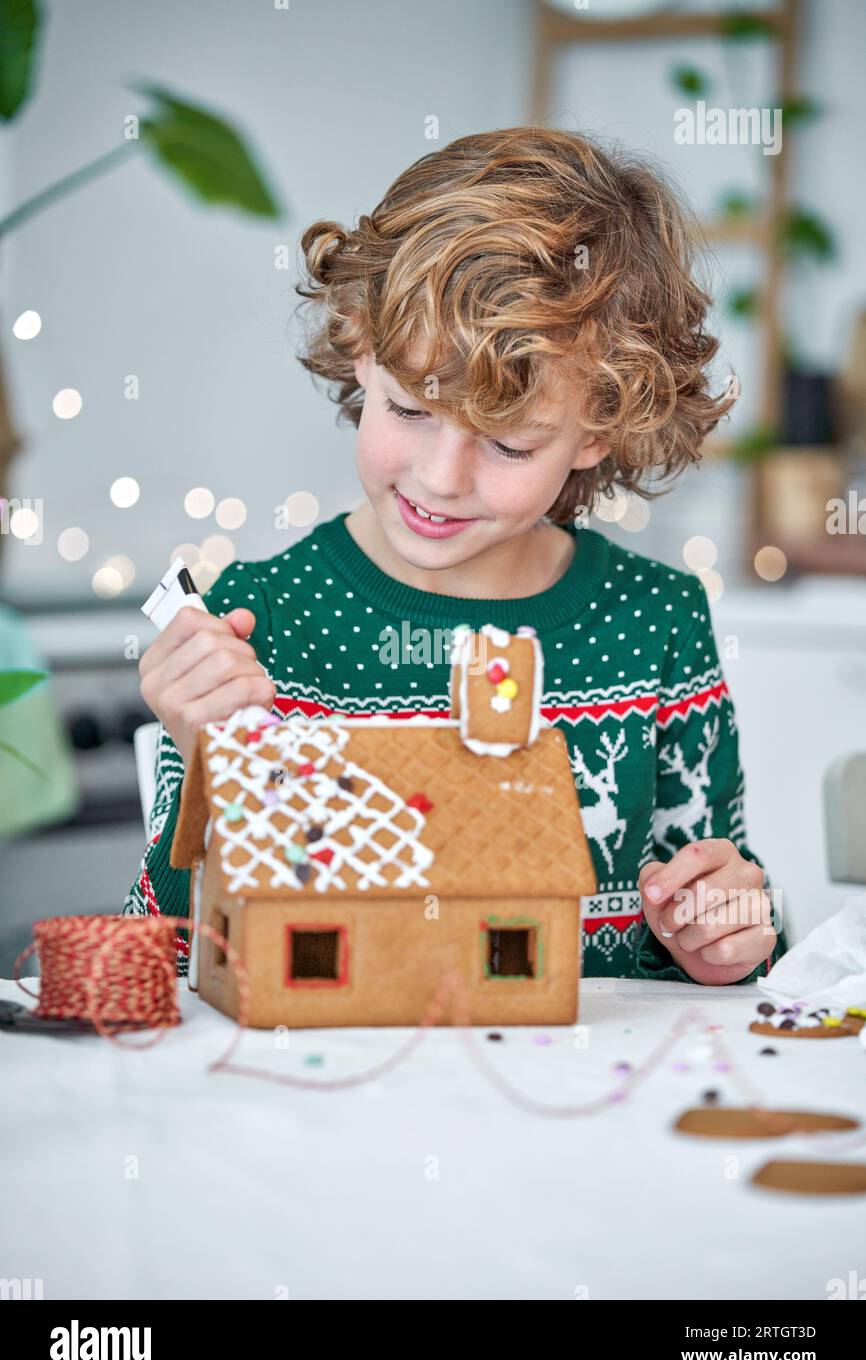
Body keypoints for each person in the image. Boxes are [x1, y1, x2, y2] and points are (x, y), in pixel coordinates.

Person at [123, 126, 786, 986]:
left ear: (600, 431)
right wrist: (208, 768)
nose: (440, 479)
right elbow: (165, 959)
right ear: (361, 347)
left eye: (509, 447)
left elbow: (738, 930)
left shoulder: (656, 621)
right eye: (409, 411)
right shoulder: (259, 622)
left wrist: (733, 928)